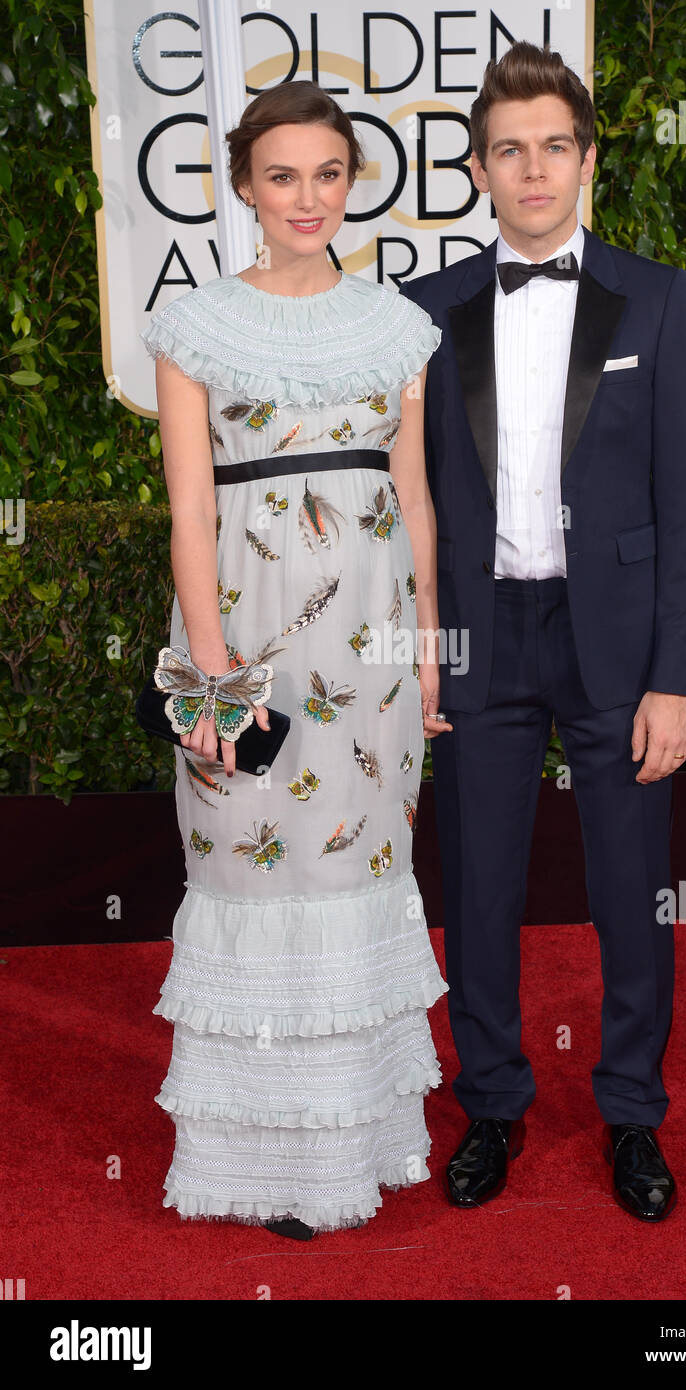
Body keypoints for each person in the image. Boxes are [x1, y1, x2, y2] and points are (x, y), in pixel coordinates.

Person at [399, 41, 686, 1221]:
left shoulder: (655, 297)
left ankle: (631, 1111)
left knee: (629, 887)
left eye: (553, 148)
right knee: (475, 885)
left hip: (617, 643)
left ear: (585, 158)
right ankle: (491, 1099)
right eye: (508, 151)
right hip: (480, 636)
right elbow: (403, 501)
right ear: (479, 168)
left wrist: (672, 678)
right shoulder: (426, 312)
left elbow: (683, 511)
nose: (532, 170)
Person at [140, 80, 451, 1238]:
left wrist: (425, 654)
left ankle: (354, 1144)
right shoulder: (194, 327)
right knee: (253, 871)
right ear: (244, 186)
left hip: (370, 661)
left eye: (327, 174)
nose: (306, 197)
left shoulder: (398, 328)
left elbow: (411, 499)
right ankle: (262, 1159)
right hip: (246, 648)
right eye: (282, 175)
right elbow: (186, 515)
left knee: (350, 876)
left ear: (350, 183)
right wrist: (214, 678)